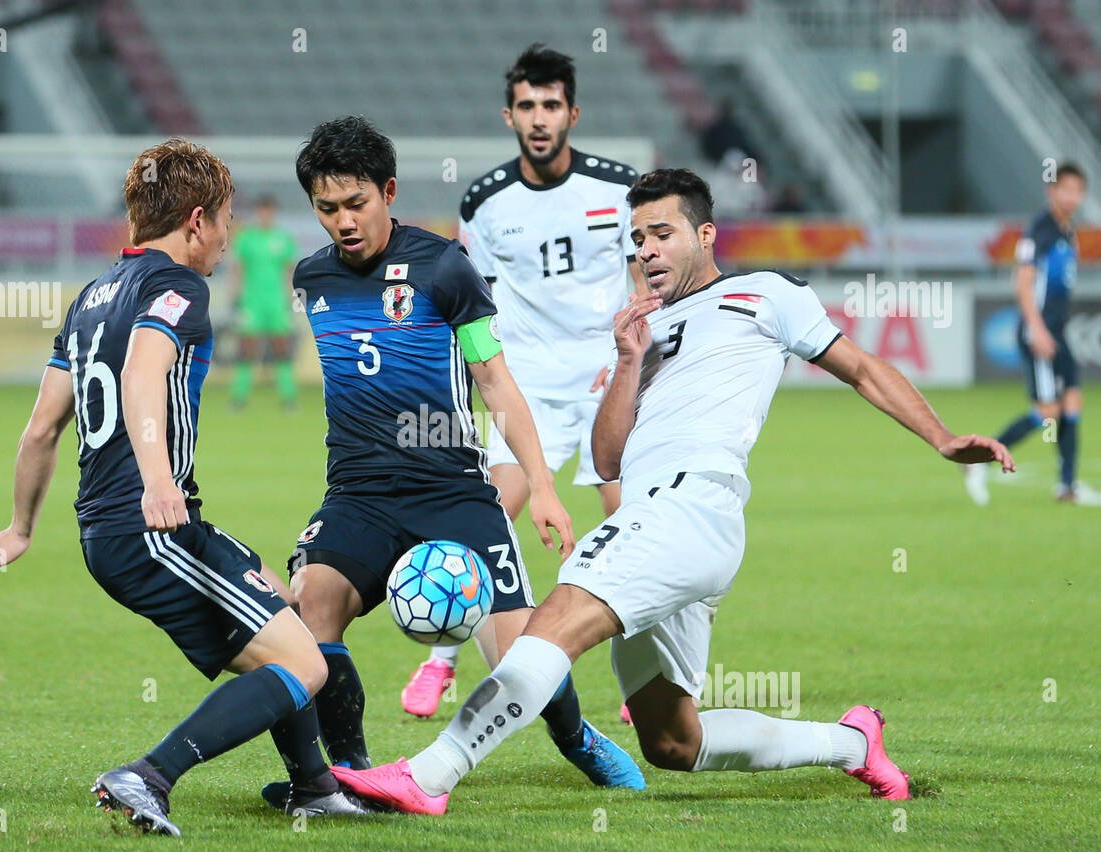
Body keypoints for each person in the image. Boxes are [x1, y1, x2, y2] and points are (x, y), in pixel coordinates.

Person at [330, 168, 1015, 814]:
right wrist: (627, 361)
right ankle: (853, 743)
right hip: (662, 515)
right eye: (637, 240)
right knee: (671, 742)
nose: (647, 251)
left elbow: (862, 368)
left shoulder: (765, 295)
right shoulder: (642, 330)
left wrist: (943, 437)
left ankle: (430, 776)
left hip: (691, 507)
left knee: (555, 619)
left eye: (663, 235)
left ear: (705, 234)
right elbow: (607, 459)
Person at [0, 138, 355, 836]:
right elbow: (144, 375)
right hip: (148, 525)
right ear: (197, 220)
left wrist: (21, 528)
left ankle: (313, 784)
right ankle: (148, 776)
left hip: (112, 529)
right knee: (304, 664)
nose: (228, 240)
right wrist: (156, 480)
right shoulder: (177, 287)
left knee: (278, 598)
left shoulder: (90, 298)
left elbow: (40, 431)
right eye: (227, 222)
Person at [261, 116, 645, 811]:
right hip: (357, 493)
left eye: (356, 203)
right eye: (326, 208)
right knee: (310, 611)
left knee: (521, 650)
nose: (342, 221)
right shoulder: (310, 276)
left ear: (389, 191)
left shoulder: (444, 267)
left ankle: (576, 738)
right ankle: (349, 773)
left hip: (451, 490)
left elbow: (494, 382)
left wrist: (546, 486)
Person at [401, 43, 649, 720]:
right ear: (508, 115)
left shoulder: (620, 187)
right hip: (527, 380)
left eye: (550, 105)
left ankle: (647, 675)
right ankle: (441, 659)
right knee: (487, 509)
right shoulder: (484, 201)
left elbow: (643, 277)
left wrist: (637, 355)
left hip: (605, 377)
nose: (539, 118)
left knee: (632, 521)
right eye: (526, 106)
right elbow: (468, 292)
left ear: (572, 112)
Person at [965, 162, 1096, 505]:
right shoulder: (1042, 229)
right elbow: (1023, 281)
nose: (1072, 196)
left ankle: (1066, 486)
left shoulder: (1068, 231)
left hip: (1058, 331)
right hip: (1039, 332)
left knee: (1072, 402)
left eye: (1077, 190)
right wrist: (1036, 328)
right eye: (1065, 189)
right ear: (1051, 191)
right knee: (1048, 410)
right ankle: (978, 462)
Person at [230, 195, 299, 410]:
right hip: (252, 301)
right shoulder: (246, 238)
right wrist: (236, 296)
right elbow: (238, 269)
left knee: (282, 347)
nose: (265, 215)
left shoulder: (283, 238)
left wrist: (292, 296)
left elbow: (289, 269)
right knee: (247, 348)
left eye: (269, 211)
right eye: (262, 210)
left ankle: (288, 397)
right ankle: (239, 397)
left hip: (277, 300)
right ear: (257, 212)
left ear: (273, 213)